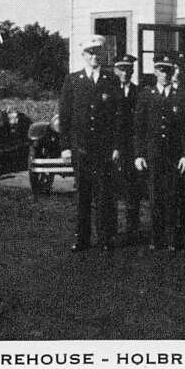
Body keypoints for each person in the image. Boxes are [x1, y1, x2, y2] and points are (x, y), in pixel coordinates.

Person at [58, 35, 119, 251]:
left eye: (97, 52)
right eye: (90, 53)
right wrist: (65, 146)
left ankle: (104, 238)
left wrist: (116, 147)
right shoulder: (73, 81)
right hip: (81, 148)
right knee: (82, 195)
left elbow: (117, 117)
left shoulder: (111, 80)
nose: (94, 56)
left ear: (102, 54)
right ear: (84, 55)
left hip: (103, 149)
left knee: (104, 195)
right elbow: (64, 116)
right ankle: (82, 238)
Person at [133, 53, 185, 250]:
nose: (164, 74)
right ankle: (155, 238)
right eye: (160, 70)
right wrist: (139, 154)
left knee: (172, 196)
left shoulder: (180, 96)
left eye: (168, 70)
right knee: (155, 196)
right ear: (155, 71)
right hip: (153, 155)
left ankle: (172, 238)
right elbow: (139, 128)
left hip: (173, 155)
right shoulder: (146, 95)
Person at [111, 54, 141, 238]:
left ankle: (132, 228)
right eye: (121, 69)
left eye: (128, 69)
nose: (125, 73)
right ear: (115, 70)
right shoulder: (108, 90)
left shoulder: (139, 92)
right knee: (111, 188)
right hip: (112, 147)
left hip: (131, 148)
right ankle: (111, 228)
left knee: (132, 188)